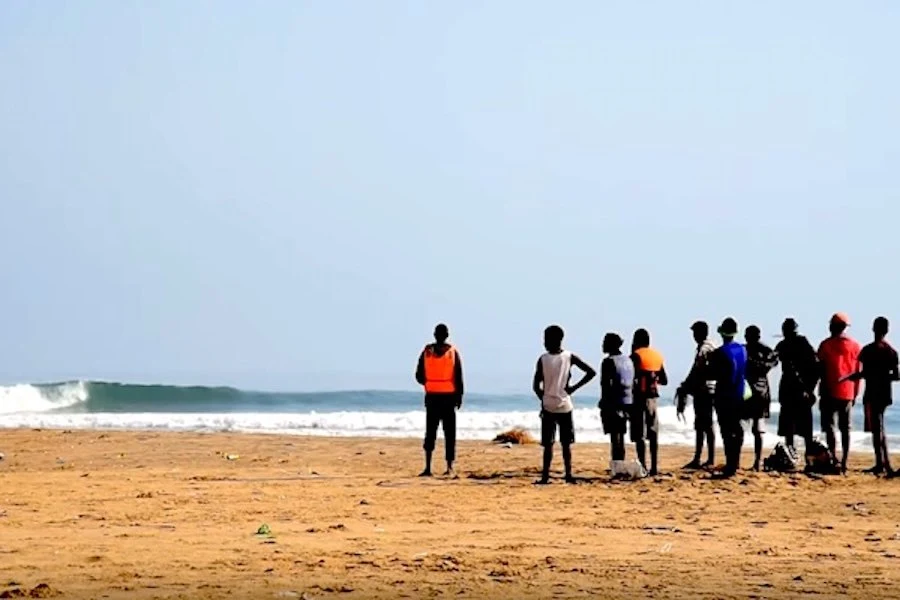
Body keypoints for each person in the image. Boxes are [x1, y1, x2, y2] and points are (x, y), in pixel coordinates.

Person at [533, 325, 596, 485]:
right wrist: (573, 388)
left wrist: (543, 397)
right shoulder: (569, 357)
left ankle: (546, 476)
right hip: (565, 404)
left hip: (548, 405)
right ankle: (568, 474)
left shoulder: (543, 359)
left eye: (546, 339)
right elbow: (591, 372)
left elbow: (535, 385)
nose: (544, 342)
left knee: (548, 443)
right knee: (566, 443)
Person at [842, 317, 899, 476]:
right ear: (887, 331)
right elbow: (896, 376)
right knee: (878, 427)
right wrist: (882, 376)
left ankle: (884, 463)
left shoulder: (867, 350)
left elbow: (864, 372)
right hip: (885, 392)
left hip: (872, 392)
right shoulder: (891, 352)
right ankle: (881, 463)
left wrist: (858, 376)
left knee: (877, 428)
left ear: (873, 329)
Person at [415, 323, 464, 477]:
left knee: (430, 432)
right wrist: (459, 396)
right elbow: (459, 377)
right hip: (448, 397)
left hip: (432, 397)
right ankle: (449, 467)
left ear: (435, 335)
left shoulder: (427, 352)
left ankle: (428, 467)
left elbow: (418, 375)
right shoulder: (453, 352)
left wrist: (429, 382)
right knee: (449, 434)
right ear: (447, 335)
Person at [817, 313, 861, 474]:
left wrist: (818, 389)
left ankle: (833, 458)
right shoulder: (856, 346)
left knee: (830, 428)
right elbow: (858, 372)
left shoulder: (825, 345)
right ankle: (844, 462)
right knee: (845, 429)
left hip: (829, 390)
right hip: (848, 392)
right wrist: (856, 393)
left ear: (833, 326)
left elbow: (820, 369)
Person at [675, 321, 718, 469]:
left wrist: (685, 386)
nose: (693, 335)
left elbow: (697, 371)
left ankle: (701, 458)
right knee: (707, 424)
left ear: (699, 333)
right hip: (712, 388)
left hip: (703, 390)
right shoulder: (712, 345)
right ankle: (707, 457)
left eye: (695, 332)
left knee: (702, 424)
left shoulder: (703, 349)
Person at [775, 318, 819, 454]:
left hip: (799, 389)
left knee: (800, 427)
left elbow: (816, 367)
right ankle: (795, 455)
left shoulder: (798, 344)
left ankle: (799, 455)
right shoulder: (789, 344)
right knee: (796, 427)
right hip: (793, 389)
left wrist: (809, 389)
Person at [710, 318, 748, 478]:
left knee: (727, 431)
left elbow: (713, 373)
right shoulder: (743, 350)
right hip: (740, 393)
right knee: (737, 429)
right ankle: (735, 462)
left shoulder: (719, 352)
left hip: (725, 394)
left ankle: (730, 466)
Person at [630, 328, 668, 476]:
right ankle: (654, 467)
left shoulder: (635, 356)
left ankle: (643, 466)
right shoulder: (657, 357)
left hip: (639, 397)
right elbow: (664, 380)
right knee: (653, 433)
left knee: (639, 434)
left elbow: (629, 376)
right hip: (653, 398)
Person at [744, 325, 779, 471]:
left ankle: (753, 461)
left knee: (745, 426)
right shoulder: (765, 351)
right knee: (757, 428)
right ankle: (757, 461)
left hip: (749, 390)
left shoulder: (745, 350)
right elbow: (773, 361)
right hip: (761, 390)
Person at [599, 332, 633, 462]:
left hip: (613, 401)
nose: (602, 345)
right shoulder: (627, 360)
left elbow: (605, 384)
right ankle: (621, 460)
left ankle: (617, 462)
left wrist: (603, 402)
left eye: (605, 342)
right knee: (621, 433)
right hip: (628, 400)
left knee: (615, 435)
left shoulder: (608, 361)